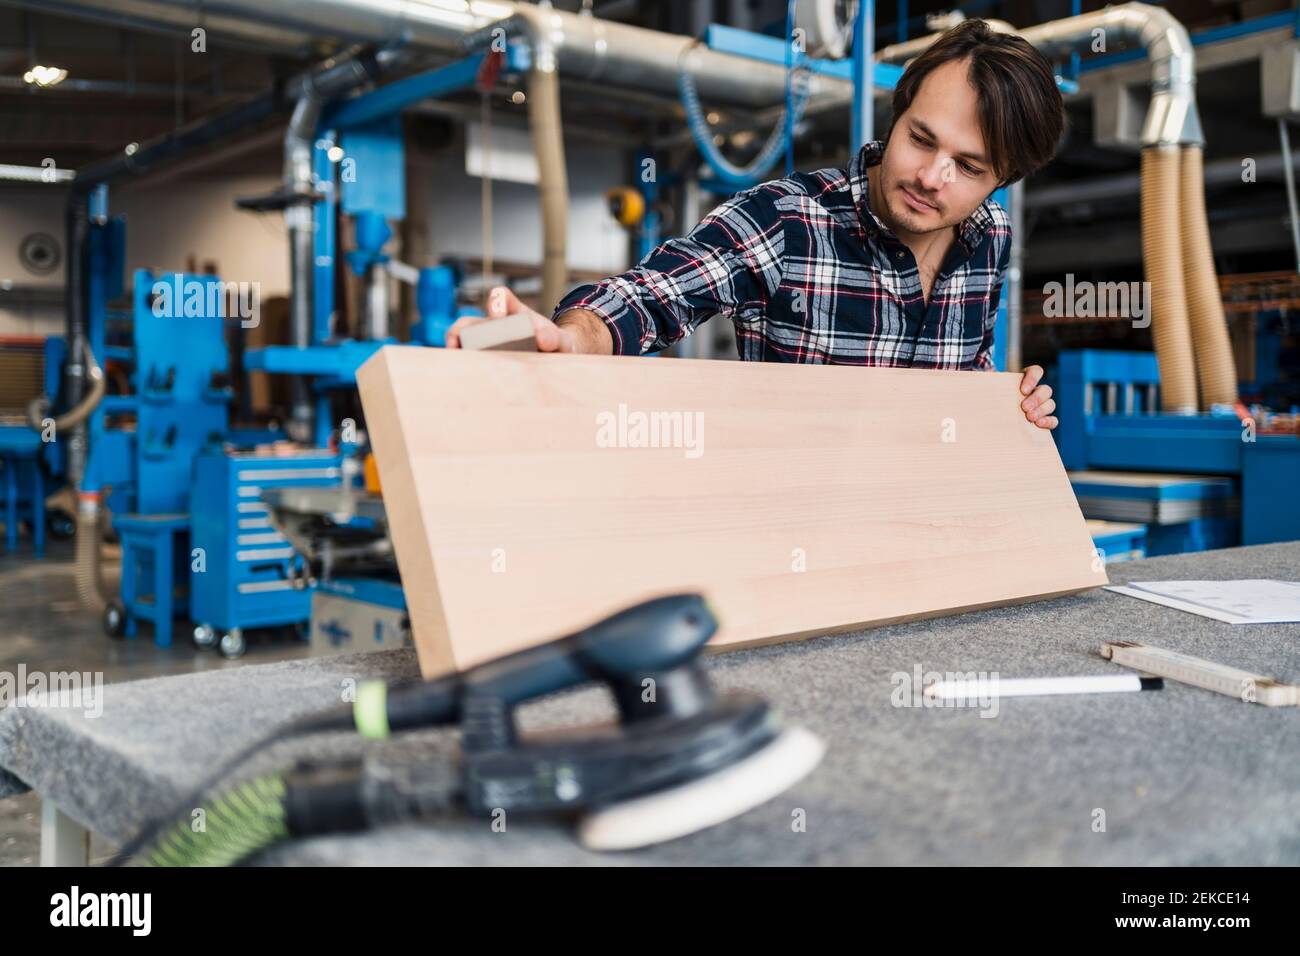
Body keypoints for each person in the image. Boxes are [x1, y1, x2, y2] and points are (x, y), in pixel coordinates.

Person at [448, 19, 1065, 429]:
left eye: (968, 165)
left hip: (922, 532)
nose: (932, 176)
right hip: (792, 538)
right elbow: (651, 296)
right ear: (896, 113)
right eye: (920, 139)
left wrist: (1009, 406)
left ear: (1001, 179)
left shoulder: (989, 238)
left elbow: (966, 372)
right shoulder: (787, 221)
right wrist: (573, 339)